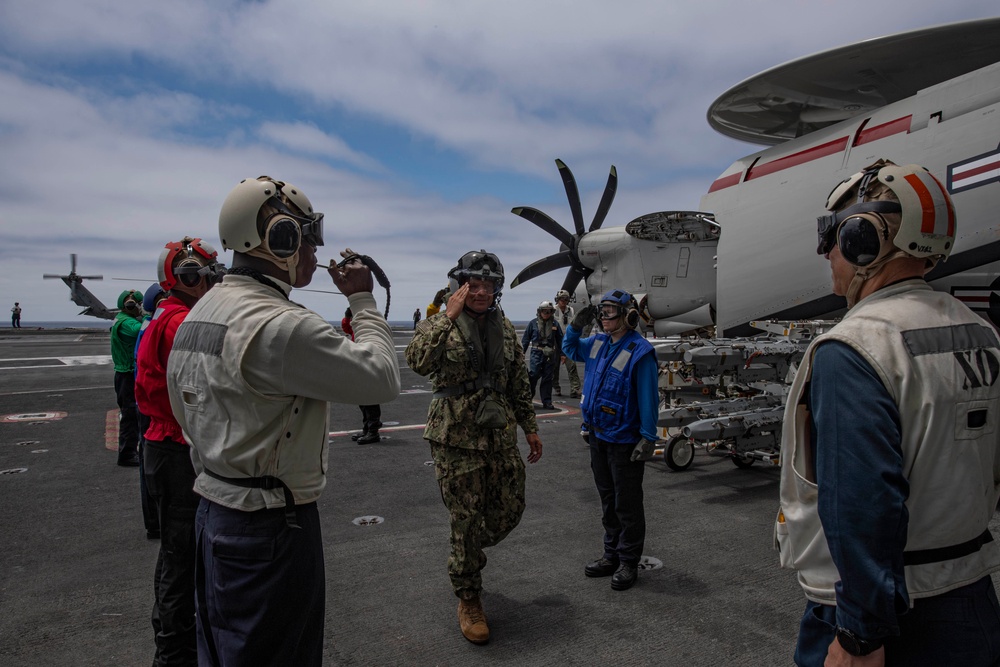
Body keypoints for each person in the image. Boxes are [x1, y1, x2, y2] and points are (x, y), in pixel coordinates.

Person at [166, 175, 400, 666]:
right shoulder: (281, 324)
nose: (316, 251)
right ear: (280, 238)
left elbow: (184, 411)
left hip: (214, 509)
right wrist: (362, 300)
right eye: (308, 238)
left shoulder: (199, 313)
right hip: (270, 527)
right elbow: (381, 378)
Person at [777, 159, 1000, 666]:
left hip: (888, 613)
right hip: (972, 599)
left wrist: (859, 635)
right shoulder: (982, 333)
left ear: (863, 240)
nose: (827, 253)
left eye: (832, 237)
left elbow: (862, 504)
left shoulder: (857, 347)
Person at [405, 249, 543, 645]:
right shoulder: (441, 321)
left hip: (499, 433)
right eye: (475, 284)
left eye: (489, 285)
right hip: (455, 438)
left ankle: (462, 549)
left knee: (509, 510)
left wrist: (530, 427)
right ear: (460, 284)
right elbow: (417, 360)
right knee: (464, 519)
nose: (482, 292)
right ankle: (469, 596)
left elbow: (517, 380)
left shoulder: (505, 326)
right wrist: (448, 315)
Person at [136, 237, 223, 667]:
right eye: (203, 274)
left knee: (175, 554)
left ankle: (175, 648)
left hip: (161, 444)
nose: (209, 281)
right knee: (180, 558)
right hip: (174, 449)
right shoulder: (179, 324)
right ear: (185, 277)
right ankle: (174, 654)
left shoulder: (166, 316)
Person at [562, 289, 658, 591]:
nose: (604, 317)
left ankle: (629, 561)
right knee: (607, 500)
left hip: (624, 440)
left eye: (610, 311)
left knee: (626, 503)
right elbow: (570, 349)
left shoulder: (640, 351)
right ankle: (611, 554)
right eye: (601, 311)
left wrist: (648, 437)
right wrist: (575, 326)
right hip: (598, 435)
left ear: (628, 315)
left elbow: (648, 398)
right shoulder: (598, 343)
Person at [135, 282, 167, 540]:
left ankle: (155, 522)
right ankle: (157, 523)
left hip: (146, 405)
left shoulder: (149, 323)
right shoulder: (162, 323)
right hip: (157, 410)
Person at [111, 288, 144, 466]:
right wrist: (149, 316)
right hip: (127, 374)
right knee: (130, 415)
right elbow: (141, 330)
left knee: (130, 414)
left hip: (124, 373)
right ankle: (127, 454)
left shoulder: (121, 319)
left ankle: (129, 451)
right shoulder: (127, 323)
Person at [342, 307, 382, 444]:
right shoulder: (358, 328)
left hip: (368, 367)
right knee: (363, 401)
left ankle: (373, 431)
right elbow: (347, 328)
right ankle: (367, 429)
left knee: (369, 400)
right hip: (360, 366)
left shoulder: (370, 330)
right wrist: (347, 316)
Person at [521, 300, 562, 409]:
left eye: (549, 311)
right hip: (536, 352)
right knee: (533, 375)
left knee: (547, 378)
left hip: (549, 354)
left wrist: (563, 354)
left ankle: (547, 401)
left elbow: (560, 340)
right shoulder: (533, 323)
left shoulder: (555, 324)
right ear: (540, 311)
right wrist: (521, 352)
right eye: (544, 311)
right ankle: (528, 398)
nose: (547, 314)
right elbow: (525, 339)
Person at [552, 289, 581, 398]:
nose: (563, 301)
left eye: (565, 299)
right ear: (557, 300)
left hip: (567, 342)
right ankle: (556, 387)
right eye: (561, 299)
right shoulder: (553, 310)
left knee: (572, 365)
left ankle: (575, 389)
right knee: (554, 367)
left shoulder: (571, 310)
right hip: (555, 342)